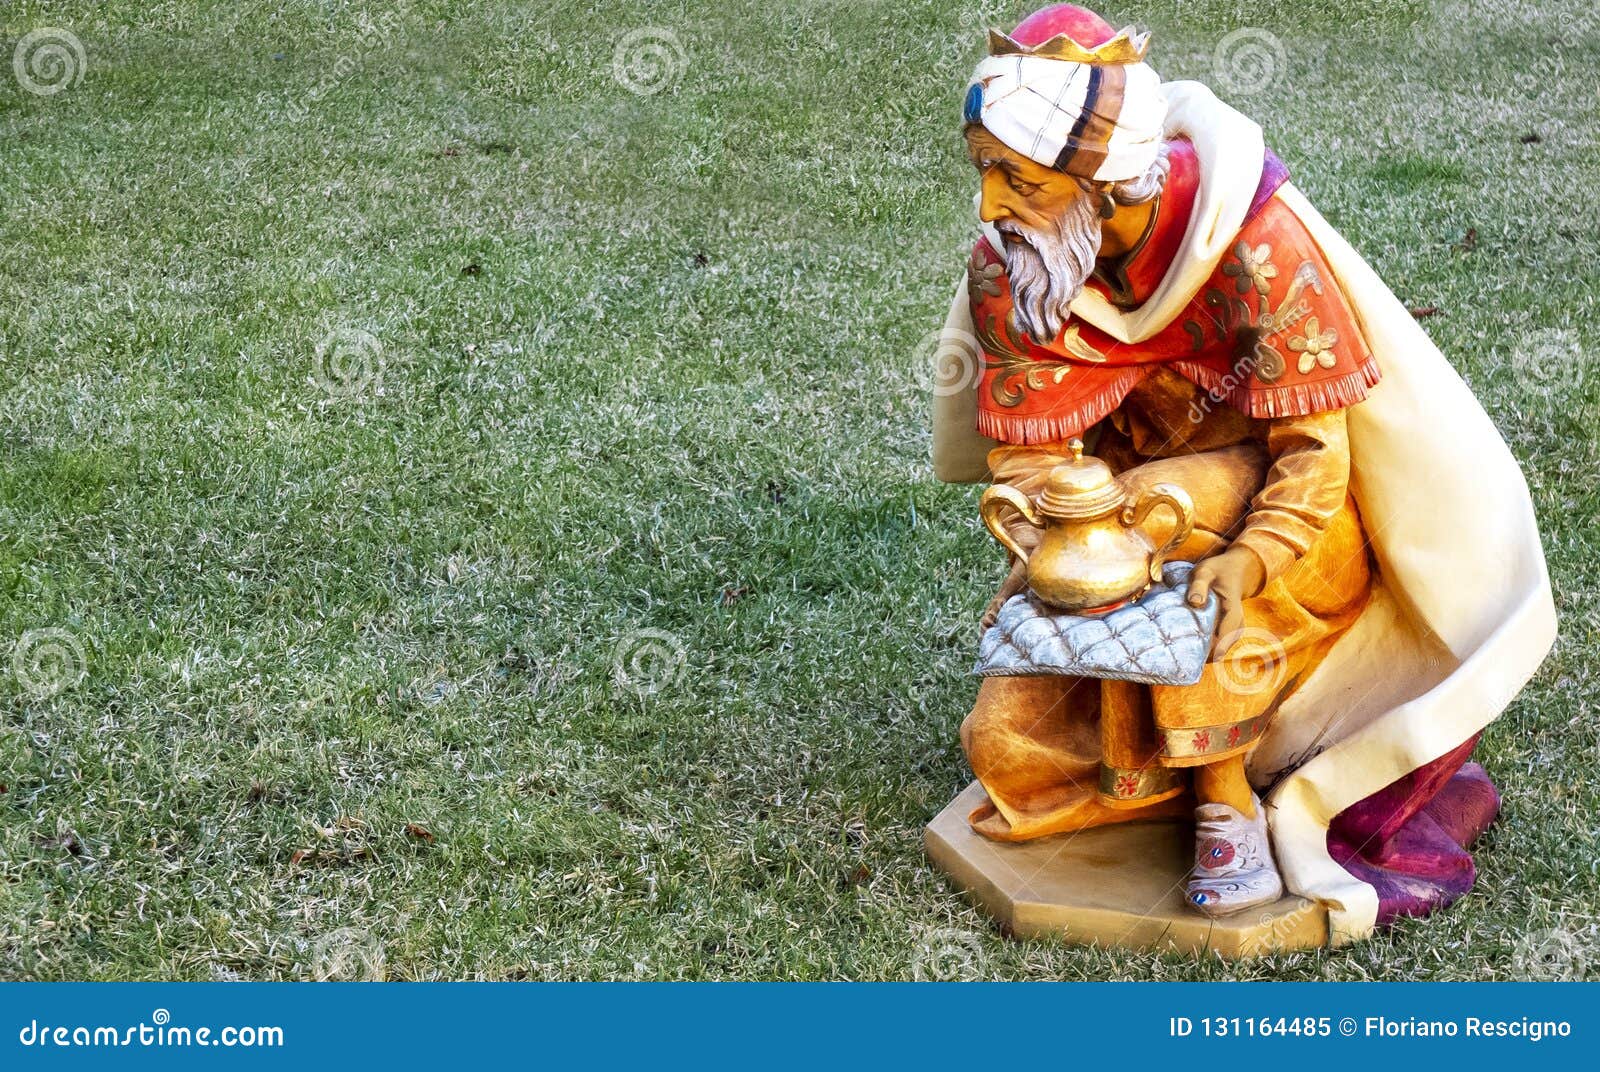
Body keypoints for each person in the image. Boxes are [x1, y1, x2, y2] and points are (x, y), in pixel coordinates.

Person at [931, 4, 1555, 931]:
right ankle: (1156, 777)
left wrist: (1254, 556)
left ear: (1104, 182)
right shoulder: (1019, 264)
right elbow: (1029, 452)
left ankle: (1227, 799)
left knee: (1182, 547)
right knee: (1009, 753)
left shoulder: (1254, 245)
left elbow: (1316, 451)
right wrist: (1045, 545)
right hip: (1109, 526)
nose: (990, 207)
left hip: (1291, 528)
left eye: (1018, 180)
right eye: (985, 171)